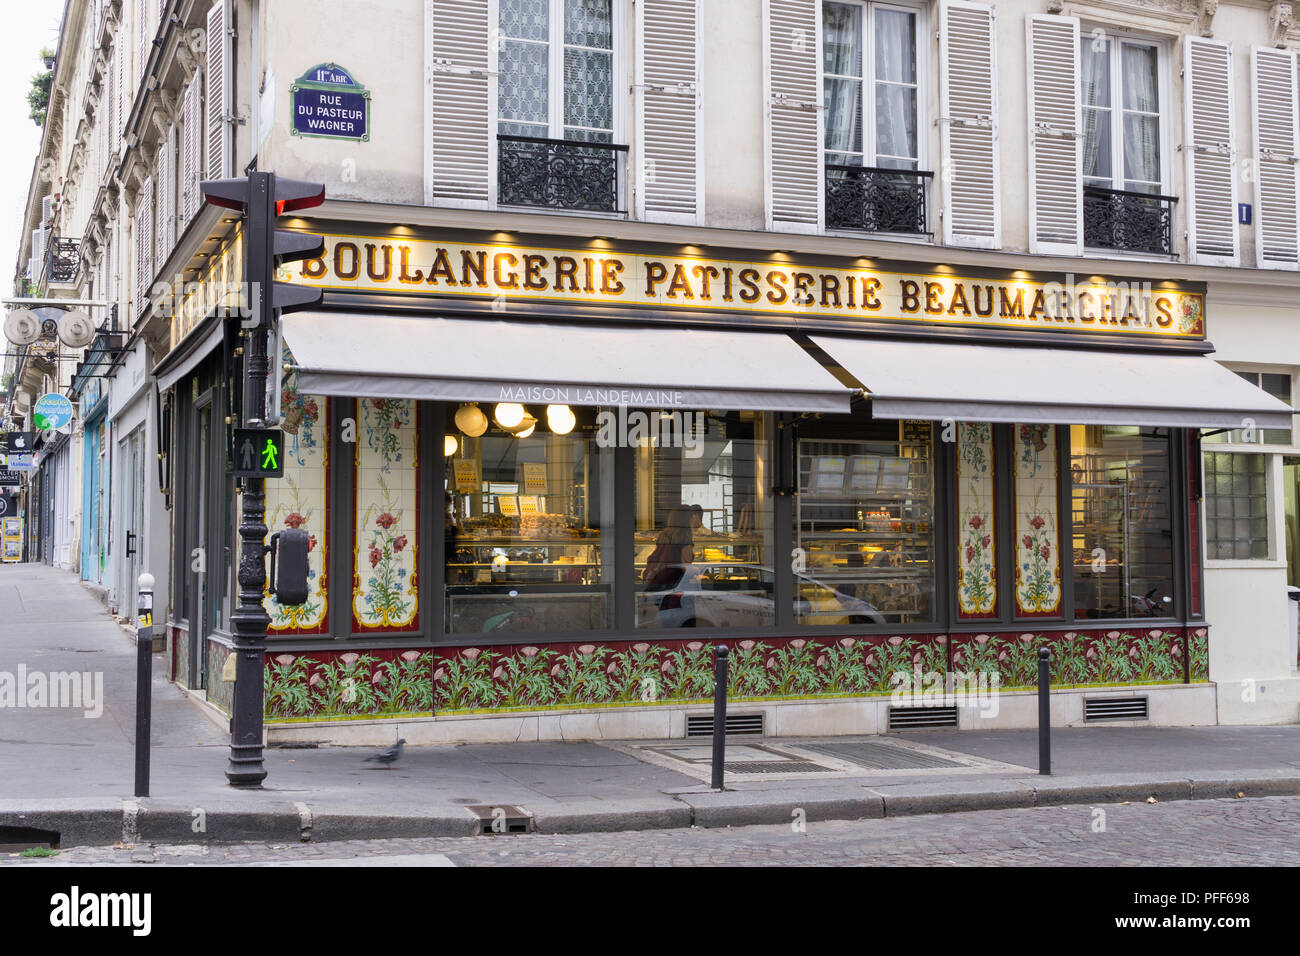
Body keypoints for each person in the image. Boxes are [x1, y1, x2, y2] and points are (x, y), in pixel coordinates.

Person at [642, 506, 695, 591]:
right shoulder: (685, 536)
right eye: (692, 517)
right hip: (675, 583)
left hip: (660, 579)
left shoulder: (663, 534)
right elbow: (686, 565)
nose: (693, 520)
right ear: (686, 520)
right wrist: (697, 572)